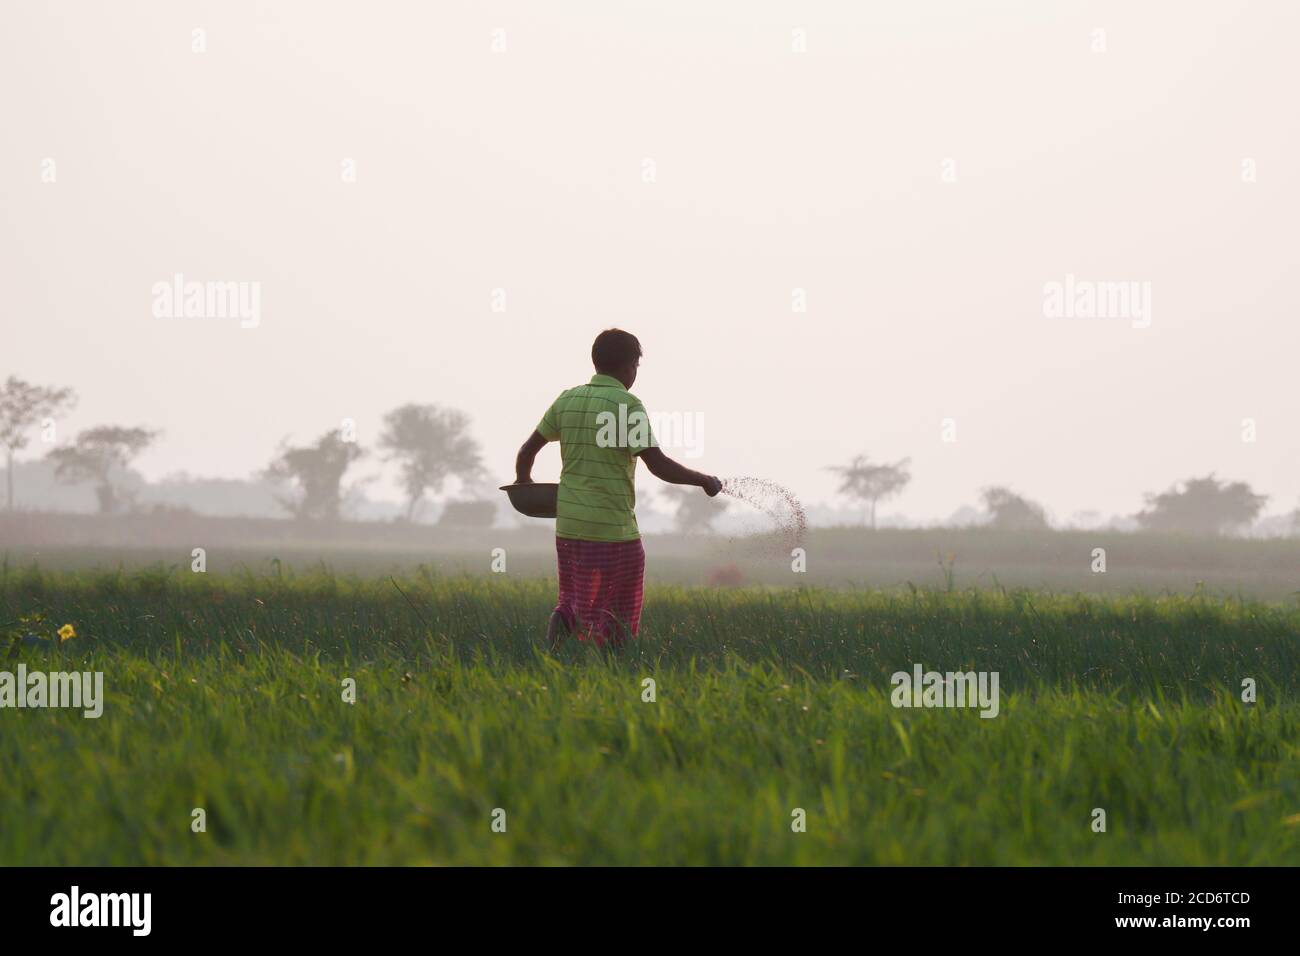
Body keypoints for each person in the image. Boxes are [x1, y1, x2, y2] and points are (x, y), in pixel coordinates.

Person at [514, 328, 722, 648]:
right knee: (619, 610)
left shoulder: (567, 399)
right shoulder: (627, 405)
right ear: (629, 367)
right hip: (612, 528)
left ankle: (556, 644)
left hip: (569, 526)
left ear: (596, 362)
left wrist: (524, 483)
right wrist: (704, 480)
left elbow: (527, 451)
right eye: (636, 367)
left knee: (572, 598)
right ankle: (615, 670)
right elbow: (658, 464)